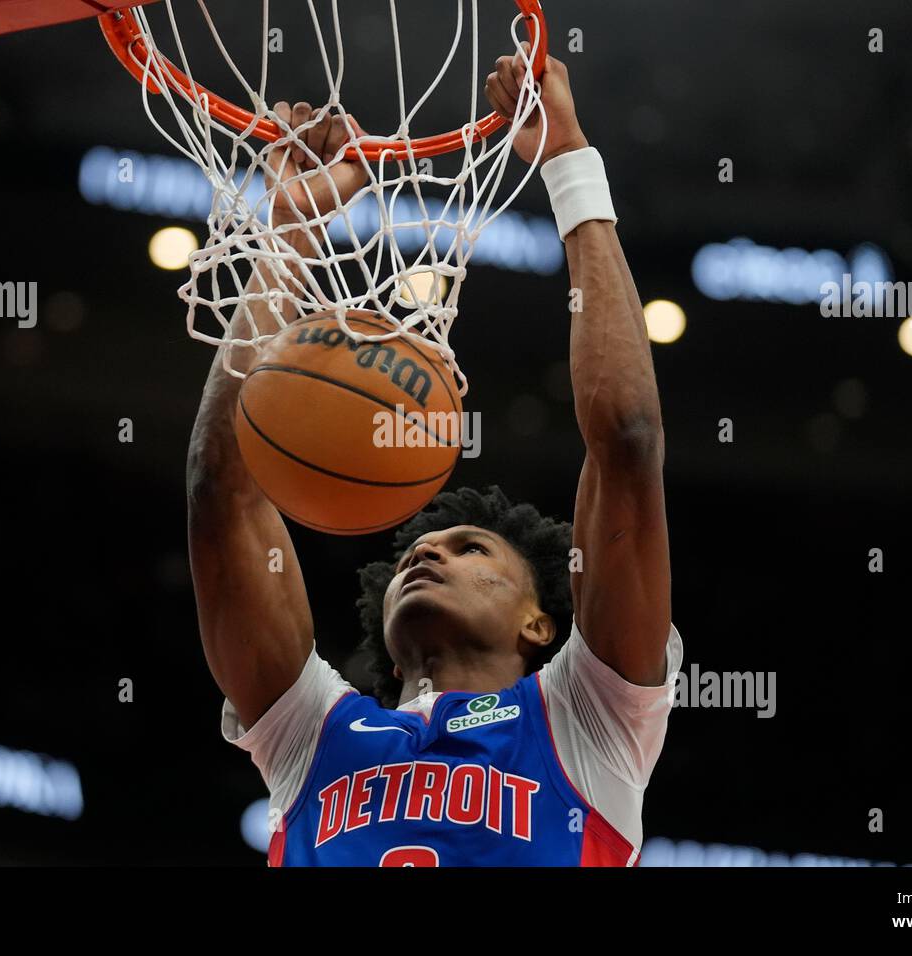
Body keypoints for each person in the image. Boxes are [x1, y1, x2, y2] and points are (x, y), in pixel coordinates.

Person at [186, 45, 682, 866]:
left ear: (539, 622)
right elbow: (221, 492)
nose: (427, 551)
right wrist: (293, 232)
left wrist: (567, 162)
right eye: (424, 547)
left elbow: (627, 440)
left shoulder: (590, 720)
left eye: (468, 548)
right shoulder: (315, 732)